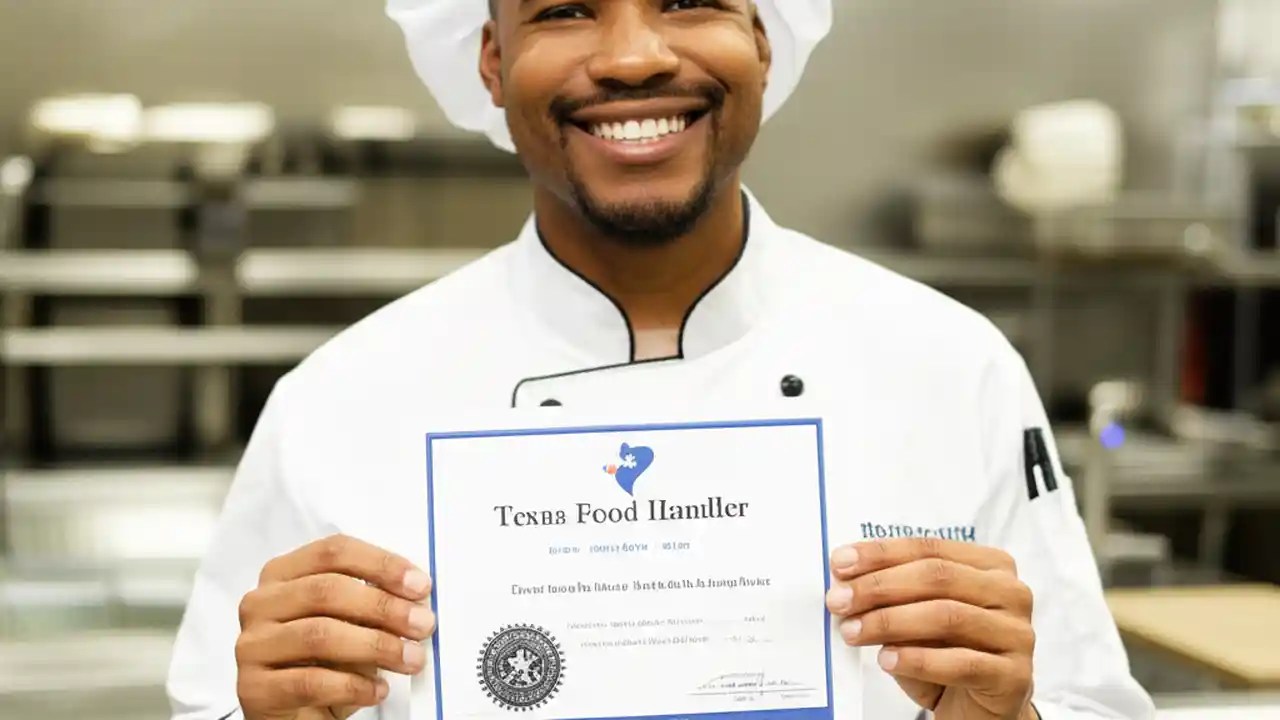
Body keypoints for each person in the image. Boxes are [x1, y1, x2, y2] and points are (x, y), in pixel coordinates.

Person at [167, 1, 1157, 719]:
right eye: (564, 9)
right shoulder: (342, 400)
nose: (633, 56)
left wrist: (1004, 717)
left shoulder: (947, 367)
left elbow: (1093, 706)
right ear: (488, 59)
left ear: (762, 38)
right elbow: (211, 703)